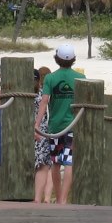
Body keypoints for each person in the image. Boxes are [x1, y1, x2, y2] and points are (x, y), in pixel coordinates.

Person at [35, 50, 79, 205]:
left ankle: (59, 196)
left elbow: (44, 101)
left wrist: (37, 124)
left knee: (56, 162)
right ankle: (64, 199)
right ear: (73, 59)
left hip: (55, 126)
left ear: (57, 59)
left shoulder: (50, 78)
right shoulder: (80, 78)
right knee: (69, 161)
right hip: (74, 124)